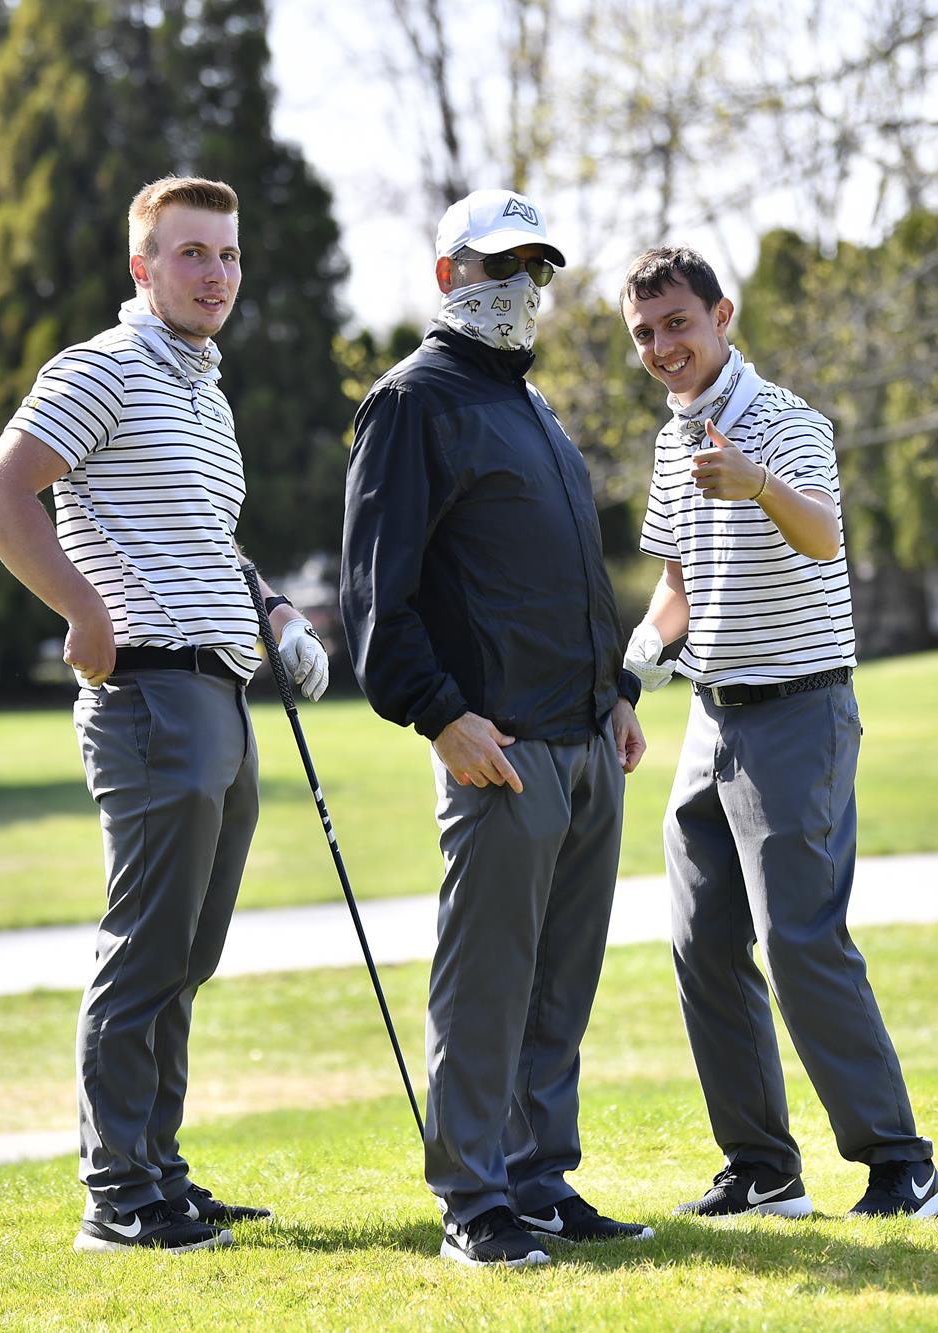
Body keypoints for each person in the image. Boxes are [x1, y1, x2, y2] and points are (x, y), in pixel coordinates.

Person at [0, 175, 329, 1254]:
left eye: (228, 255)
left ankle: (159, 1168)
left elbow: (201, 539)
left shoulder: (205, 394)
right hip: (150, 693)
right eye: (191, 253)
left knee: (188, 949)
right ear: (143, 266)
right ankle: (117, 1192)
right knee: (146, 945)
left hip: (219, 689)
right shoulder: (102, 368)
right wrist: (81, 609)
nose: (215, 274)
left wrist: (274, 609)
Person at [340, 188, 653, 1267]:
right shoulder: (409, 403)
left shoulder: (533, 404)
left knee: (560, 986)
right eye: (498, 264)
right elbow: (377, 597)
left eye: (535, 266)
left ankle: (538, 1179)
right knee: (485, 987)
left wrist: (615, 692)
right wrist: (440, 717)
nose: (522, 285)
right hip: (498, 749)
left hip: (583, 736)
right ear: (448, 276)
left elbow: (568, 577)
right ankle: (473, 1201)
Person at [617, 246, 938, 1220]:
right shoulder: (670, 441)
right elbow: (677, 591)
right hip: (710, 717)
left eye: (677, 323)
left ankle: (902, 1164)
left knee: (801, 943)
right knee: (701, 944)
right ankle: (763, 1168)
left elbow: (822, 534)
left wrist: (755, 480)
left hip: (799, 712)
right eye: (644, 333)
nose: (662, 347)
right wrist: (628, 676)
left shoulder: (784, 421)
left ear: (721, 316)